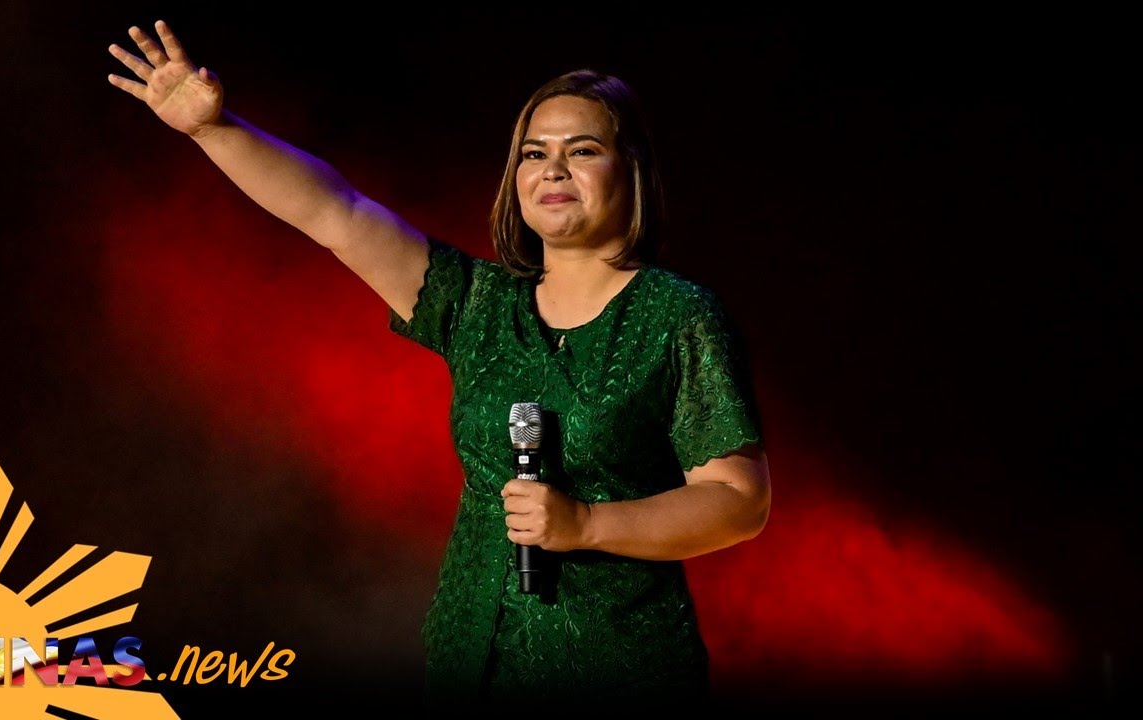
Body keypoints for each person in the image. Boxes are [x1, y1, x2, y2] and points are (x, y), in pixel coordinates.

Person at [108, 19, 771, 709]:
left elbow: (738, 502)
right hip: (472, 654)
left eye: (582, 150)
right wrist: (216, 130)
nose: (553, 168)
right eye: (533, 153)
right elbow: (337, 213)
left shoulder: (678, 315)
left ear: (630, 169)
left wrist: (585, 525)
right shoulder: (479, 306)